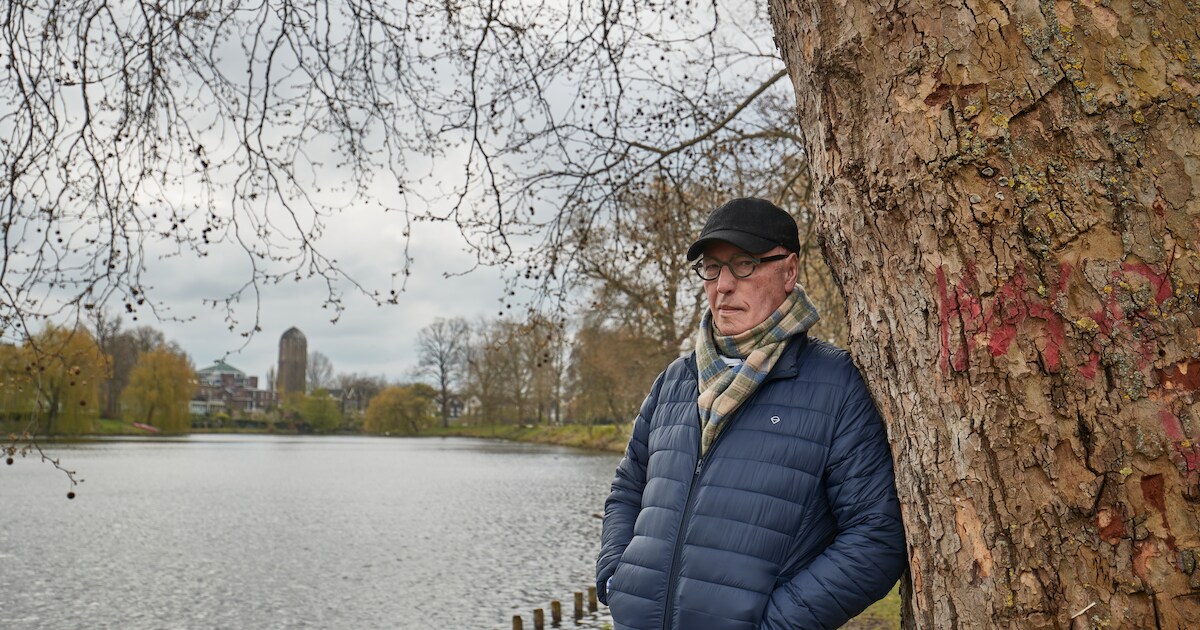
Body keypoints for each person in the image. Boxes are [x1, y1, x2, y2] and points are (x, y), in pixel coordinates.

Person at [595, 197, 907, 629]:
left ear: (789, 270)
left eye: (743, 265)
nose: (723, 285)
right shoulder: (675, 381)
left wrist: (776, 624)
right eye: (712, 267)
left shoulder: (835, 384)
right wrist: (615, 574)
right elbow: (629, 488)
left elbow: (876, 537)